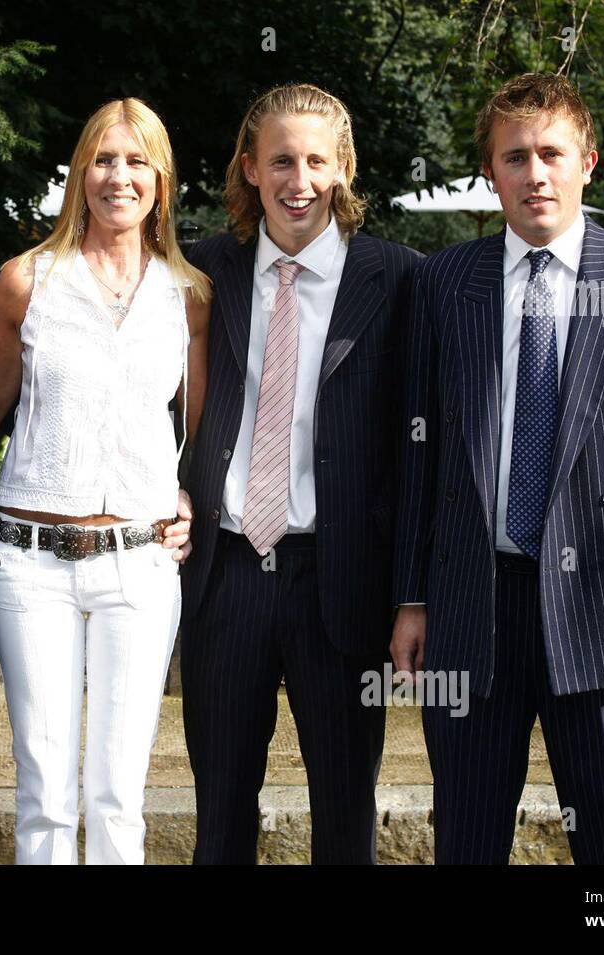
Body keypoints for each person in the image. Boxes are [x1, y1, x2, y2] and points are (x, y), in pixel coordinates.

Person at [393, 73, 604, 864]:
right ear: (491, 173)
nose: (534, 172)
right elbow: (418, 456)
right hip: (480, 600)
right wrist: (412, 593)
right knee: (466, 845)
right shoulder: (444, 283)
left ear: (590, 161)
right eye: (515, 156)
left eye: (551, 152)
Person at [178, 83, 421, 864]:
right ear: (249, 168)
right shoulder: (201, 271)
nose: (300, 179)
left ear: (344, 168)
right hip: (229, 576)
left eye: (318, 160)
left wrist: (410, 589)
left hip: (341, 576)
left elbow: (425, 450)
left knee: (346, 808)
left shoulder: (401, 280)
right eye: (281, 160)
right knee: (219, 805)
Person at [0, 97, 206, 865]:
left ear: (162, 178)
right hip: (31, 563)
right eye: (104, 159)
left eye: (137, 160)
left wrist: (185, 497)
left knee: (118, 793)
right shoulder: (26, 281)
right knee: (44, 790)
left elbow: (197, 438)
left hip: (140, 566)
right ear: (81, 172)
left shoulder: (189, 295)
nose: (119, 176)